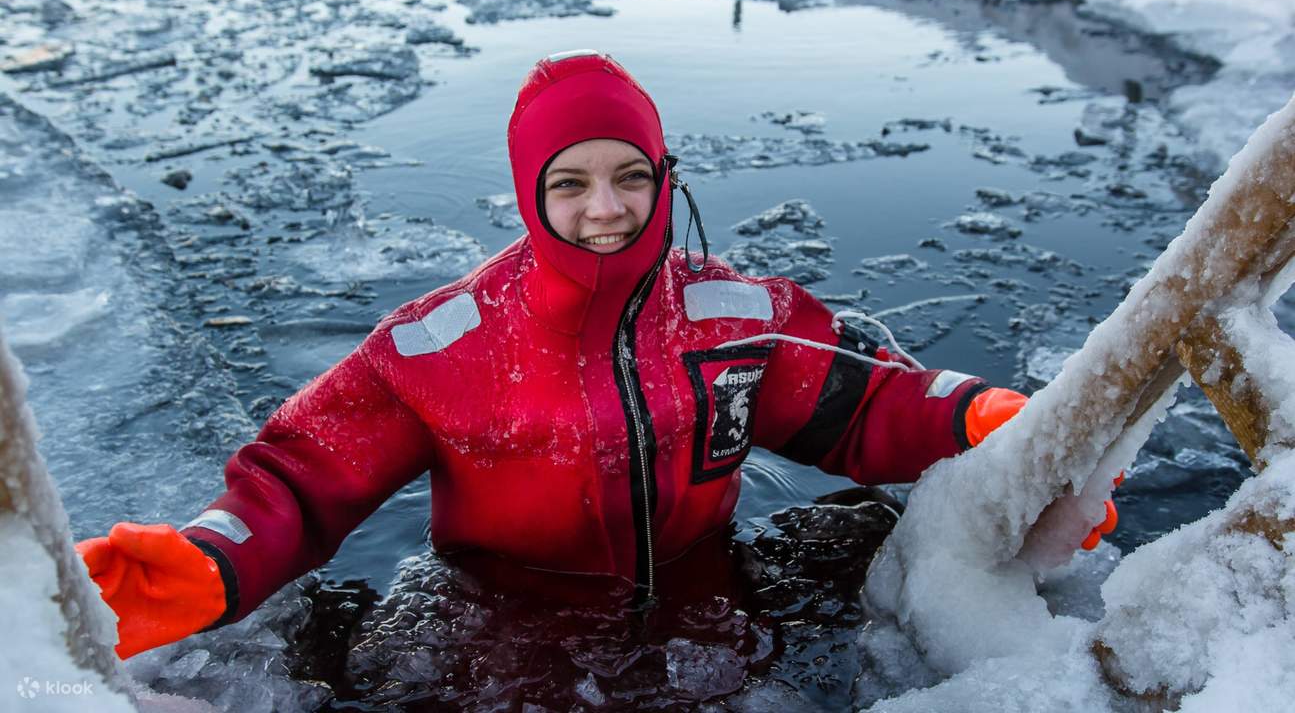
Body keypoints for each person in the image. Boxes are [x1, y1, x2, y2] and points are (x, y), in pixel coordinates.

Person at [75, 50, 1118, 660]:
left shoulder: (734, 313)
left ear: (662, 174)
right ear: (531, 190)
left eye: (628, 174)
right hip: (496, 632)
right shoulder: (437, 345)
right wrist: (212, 554)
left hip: (707, 618)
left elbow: (860, 405)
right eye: (569, 182)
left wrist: (990, 422)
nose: (605, 208)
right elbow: (299, 485)